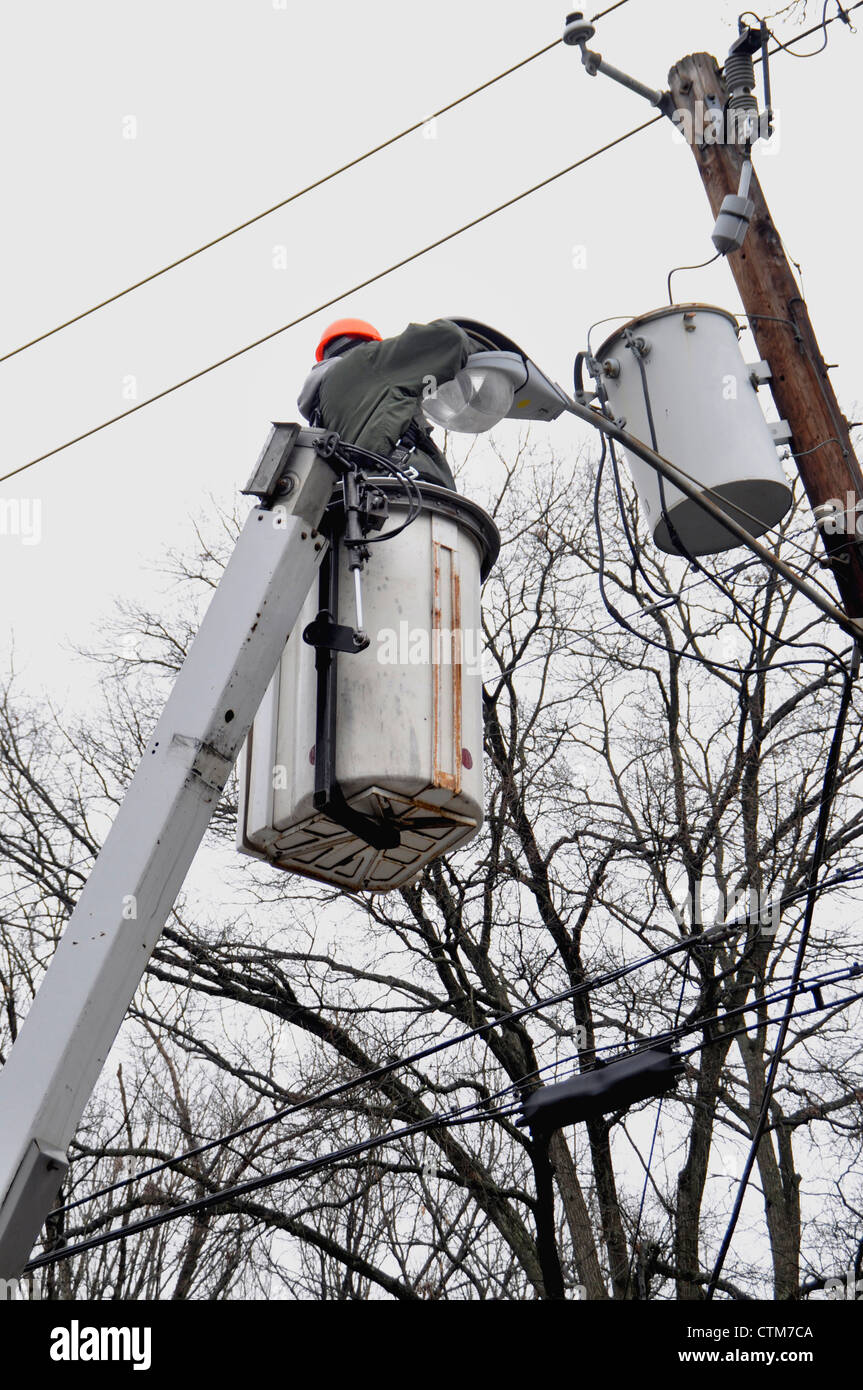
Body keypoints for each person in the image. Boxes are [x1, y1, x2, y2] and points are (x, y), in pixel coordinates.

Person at [297, 316, 476, 491]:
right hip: (407, 491)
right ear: (368, 344)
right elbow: (449, 337)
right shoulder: (369, 361)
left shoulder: (321, 406)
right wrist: (486, 352)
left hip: (359, 502)